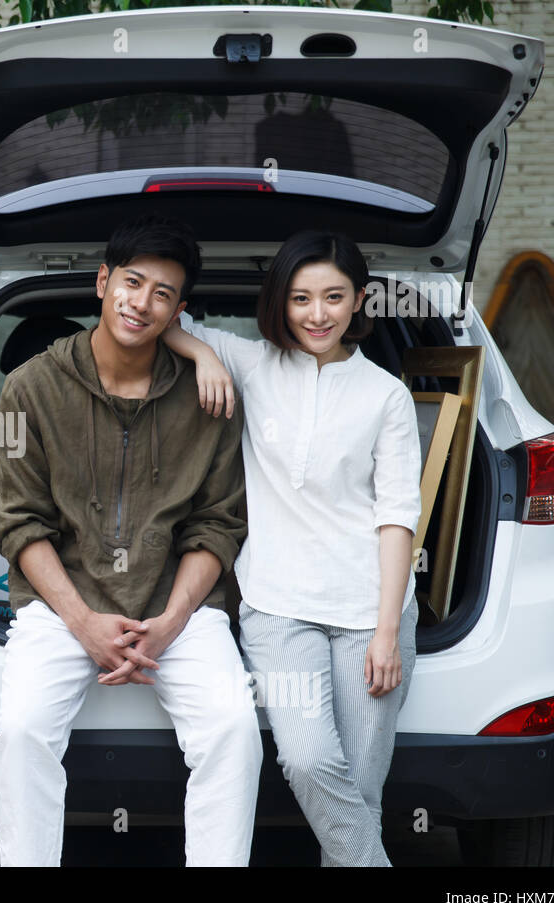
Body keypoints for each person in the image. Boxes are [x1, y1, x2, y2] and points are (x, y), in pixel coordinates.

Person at [0, 213, 262, 867]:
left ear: (178, 311)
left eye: (162, 293)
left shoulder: (210, 399)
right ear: (104, 281)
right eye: (132, 283)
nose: (142, 302)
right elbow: (17, 521)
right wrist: (82, 622)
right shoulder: (30, 388)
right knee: (21, 733)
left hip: (177, 606)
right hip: (62, 606)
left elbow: (218, 524)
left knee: (234, 732)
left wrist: (168, 622)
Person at [160, 229, 422, 866]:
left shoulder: (386, 394)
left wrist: (387, 631)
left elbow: (396, 517)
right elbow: (161, 316)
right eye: (302, 298)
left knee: (359, 789)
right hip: (278, 609)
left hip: (372, 611)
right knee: (308, 762)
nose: (318, 314)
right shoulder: (251, 364)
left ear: (359, 300)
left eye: (334, 297)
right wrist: (204, 355)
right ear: (281, 302)